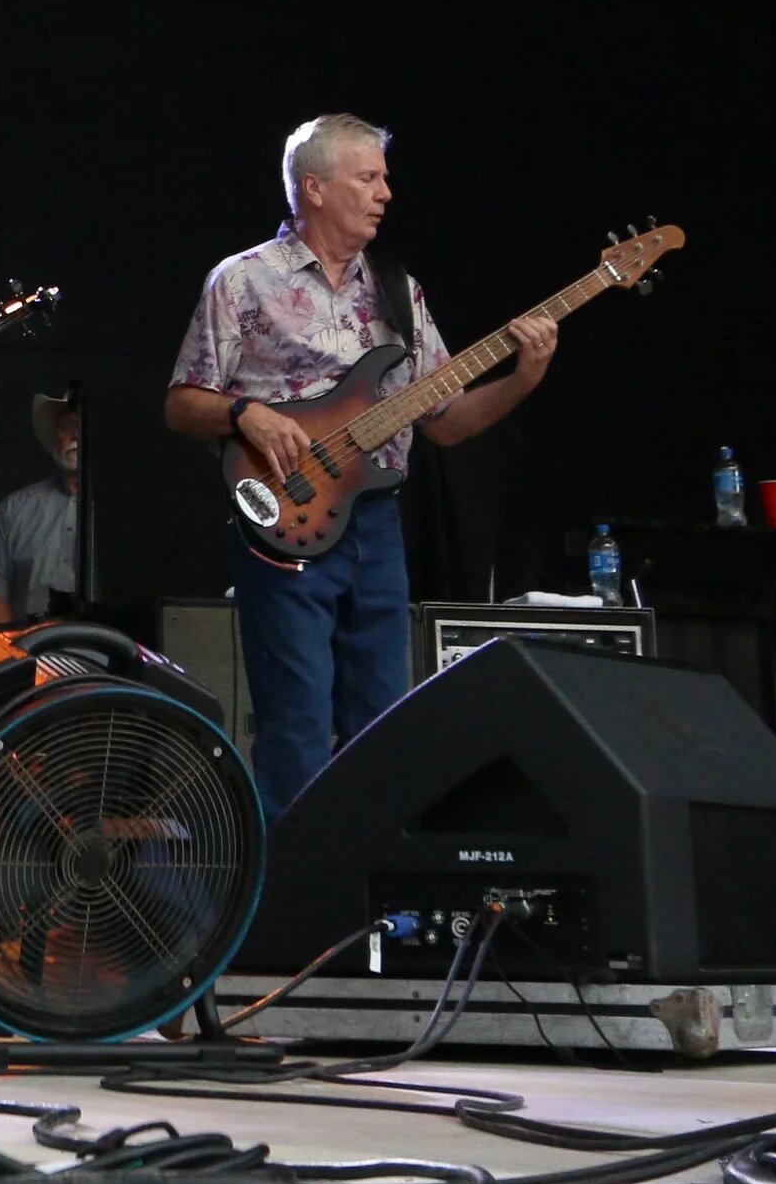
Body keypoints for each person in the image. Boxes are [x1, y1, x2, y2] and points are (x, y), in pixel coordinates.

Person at [164, 114, 555, 813]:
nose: (386, 193)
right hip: (285, 521)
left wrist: (523, 378)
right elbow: (180, 404)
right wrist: (242, 412)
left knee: (386, 725)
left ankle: (372, 895)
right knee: (297, 729)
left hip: (377, 528)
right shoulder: (243, 280)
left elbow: (448, 423)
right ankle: (290, 903)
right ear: (314, 188)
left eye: (384, 178)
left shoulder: (398, 292)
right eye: (368, 178)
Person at [0, 387, 83, 629]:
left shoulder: (122, 512)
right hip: (29, 651)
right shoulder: (16, 508)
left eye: (84, 426)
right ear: (54, 437)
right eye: (66, 426)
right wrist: (15, 652)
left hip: (104, 655)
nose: (76, 435)